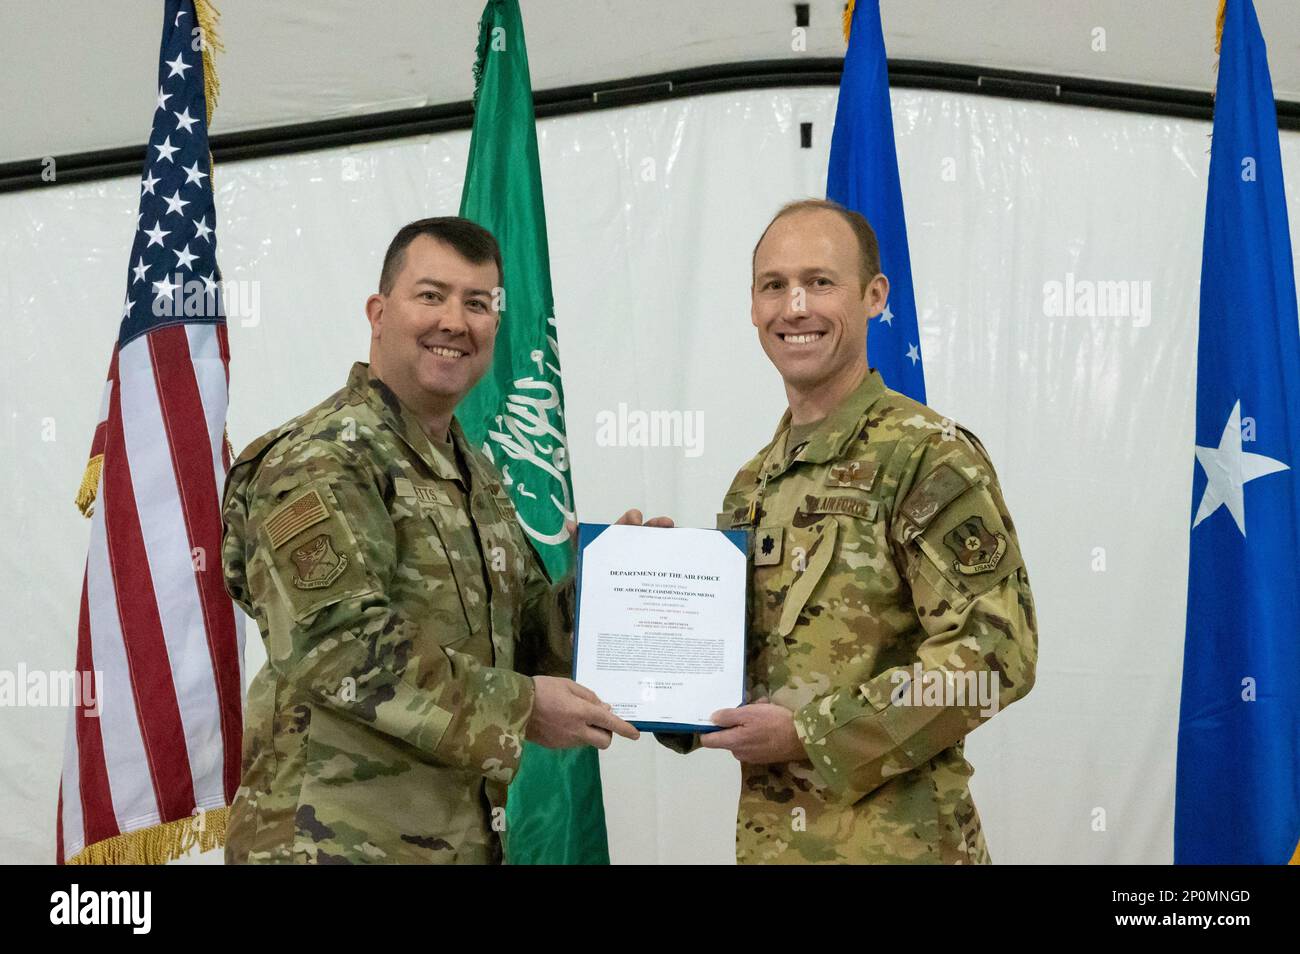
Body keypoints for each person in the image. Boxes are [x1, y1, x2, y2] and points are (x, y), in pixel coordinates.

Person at [221, 216, 650, 864]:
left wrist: (606, 589)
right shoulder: (322, 458)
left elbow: (523, 635)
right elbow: (340, 649)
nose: (455, 320)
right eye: (432, 295)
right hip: (329, 846)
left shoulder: (471, 471)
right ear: (378, 311)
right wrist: (525, 709)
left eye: (477, 303)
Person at [660, 199, 1038, 864]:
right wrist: (636, 608)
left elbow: (995, 655)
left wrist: (812, 734)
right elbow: (731, 680)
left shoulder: (926, 455)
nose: (795, 307)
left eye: (820, 282)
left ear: (874, 296)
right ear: (752, 306)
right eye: (773, 286)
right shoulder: (753, 485)